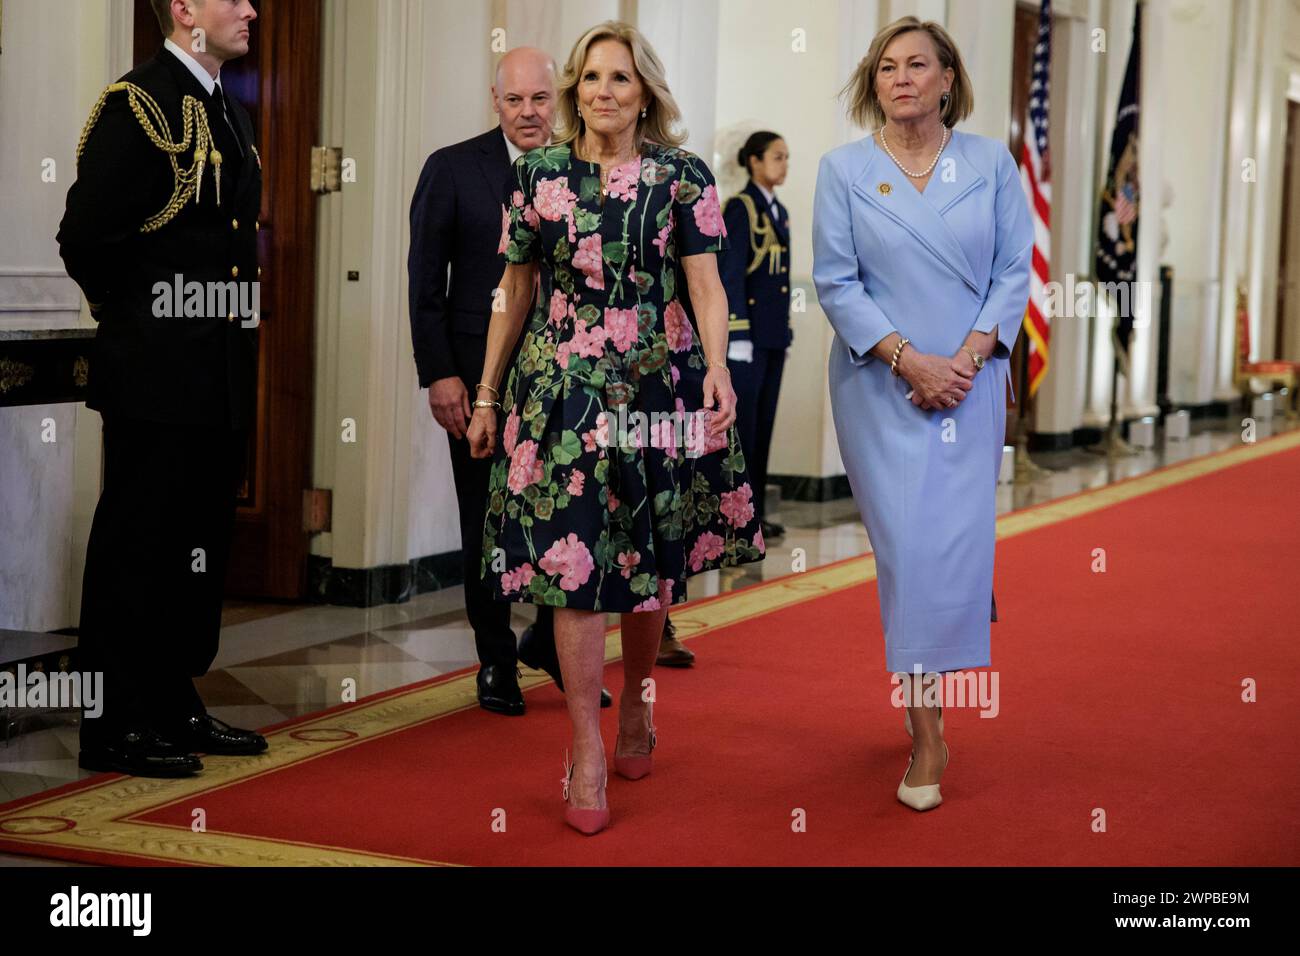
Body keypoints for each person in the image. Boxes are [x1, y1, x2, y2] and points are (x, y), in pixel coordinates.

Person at [468, 20, 765, 835]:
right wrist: (488, 392)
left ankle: (636, 698)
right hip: (558, 397)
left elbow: (705, 284)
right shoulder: (536, 174)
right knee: (571, 567)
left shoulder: (682, 175)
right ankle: (586, 745)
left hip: (655, 389)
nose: (603, 91)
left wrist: (715, 364)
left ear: (645, 94)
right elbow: (514, 289)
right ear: (577, 90)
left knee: (642, 560)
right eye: (591, 78)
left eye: (620, 79)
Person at [811, 16, 1031, 811]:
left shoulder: (992, 163)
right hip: (881, 385)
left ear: (947, 78)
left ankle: (931, 700)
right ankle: (927, 726)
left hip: (968, 387)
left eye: (917, 65)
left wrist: (964, 361)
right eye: (886, 68)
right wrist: (910, 359)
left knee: (952, 542)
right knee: (908, 548)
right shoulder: (842, 170)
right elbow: (837, 283)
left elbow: (1013, 272)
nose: (900, 78)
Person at [57, 0, 268, 777]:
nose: (250, 9)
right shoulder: (137, 105)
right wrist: (146, 325)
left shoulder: (227, 108)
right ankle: (112, 724)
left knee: (196, 545)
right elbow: (83, 239)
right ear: (183, 10)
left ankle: (173, 700)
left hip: (216, 373)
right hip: (156, 373)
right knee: (137, 544)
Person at [408, 47, 612, 716]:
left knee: (568, 514)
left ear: (560, 100)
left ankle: (553, 646)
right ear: (496, 102)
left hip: (564, 379)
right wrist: (440, 374)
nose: (530, 112)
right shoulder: (452, 168)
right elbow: (424, 285)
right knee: (487, 523)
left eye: (541, 99)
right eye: (516, 100)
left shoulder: (581, 169)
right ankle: (496, 659)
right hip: (477, 379)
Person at [720, 131, 792, 541]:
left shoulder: (777, 211)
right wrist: (738, 334)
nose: (783, 164)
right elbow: (732, 275)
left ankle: (757, 515)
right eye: (776, 157)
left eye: (786, 157)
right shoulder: (741, 208)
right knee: (744, 431)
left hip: (772, 338)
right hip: (747, 342)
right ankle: (737, 518)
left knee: (763, 428)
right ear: (754, 162)